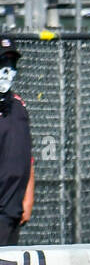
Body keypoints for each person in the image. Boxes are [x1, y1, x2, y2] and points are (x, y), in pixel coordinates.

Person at [0, 39, 33, 246]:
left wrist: (28, 197)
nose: (7, 71)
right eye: (2, 63)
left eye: (12, 64)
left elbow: (27, 156)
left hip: (13, 209)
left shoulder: (18, 105)